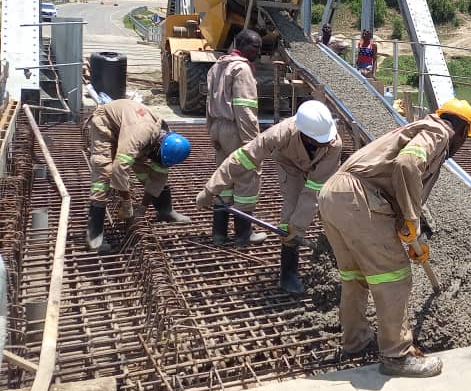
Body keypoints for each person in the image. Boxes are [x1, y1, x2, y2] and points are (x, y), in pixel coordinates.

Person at [317, 99, 471, 378]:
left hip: (334, 195)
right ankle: (396, 355)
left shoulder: (416, 128)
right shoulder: (440, 132)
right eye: (467, 138)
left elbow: (392, 180)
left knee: (355, 275)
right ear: (463, 130)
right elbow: (407, 165)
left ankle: (355, 341)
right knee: (395, 276)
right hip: (359, 198)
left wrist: (405, 227)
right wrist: (413, 220)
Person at [196, 100, 342, 294]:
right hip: (290, 168)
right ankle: (288, 275)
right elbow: (244, 158)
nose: (325, 142)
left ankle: (336, 256)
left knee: (328, 209)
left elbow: (314, 190)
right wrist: (210, 189)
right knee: (290, 213)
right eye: (319, 140)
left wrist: (298, 226)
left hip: (320, 174)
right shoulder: (280, 134)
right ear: (304, 134)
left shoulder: (334, 144)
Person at [87, 100, 192, 252]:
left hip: (131, 130)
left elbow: (158, 176)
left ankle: (165, 211)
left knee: (147, 172)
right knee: (105, 173)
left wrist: (142, 208)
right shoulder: (139, 135)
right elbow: (119, 169)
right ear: (158, 147)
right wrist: (127, 203)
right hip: (106, 124)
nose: (157, 162)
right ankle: (94, 238)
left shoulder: (166, 139)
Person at [205, 29, 265, 245]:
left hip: (219, 129)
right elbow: (245, 109)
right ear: (241, 44)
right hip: (236, 131)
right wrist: (252, 145)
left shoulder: (218, 66)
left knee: (224, 178)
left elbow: (209, 103)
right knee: (246, 179)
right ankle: (243, 234)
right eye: (254, 47)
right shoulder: (242, 70)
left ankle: (219, 234)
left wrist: (211, 130)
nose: (258, 51)